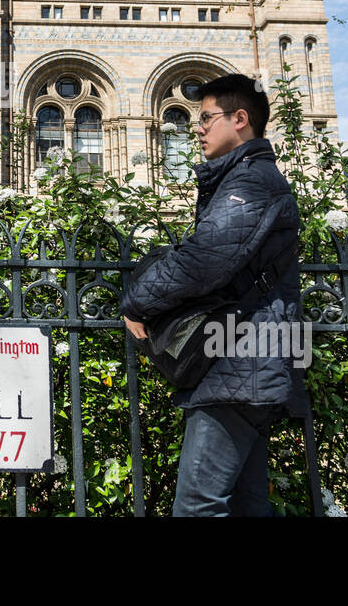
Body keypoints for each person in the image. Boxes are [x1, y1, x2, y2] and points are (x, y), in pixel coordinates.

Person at [120, 73, 308, 516]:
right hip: (255, 359)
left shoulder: (251, 180)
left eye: (206, 118)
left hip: (242, 361)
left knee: (198, 507)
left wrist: (136, 303)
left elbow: (204, 259)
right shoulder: (244, 179)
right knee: (245, 505)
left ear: (240, 119)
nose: (198, 128)